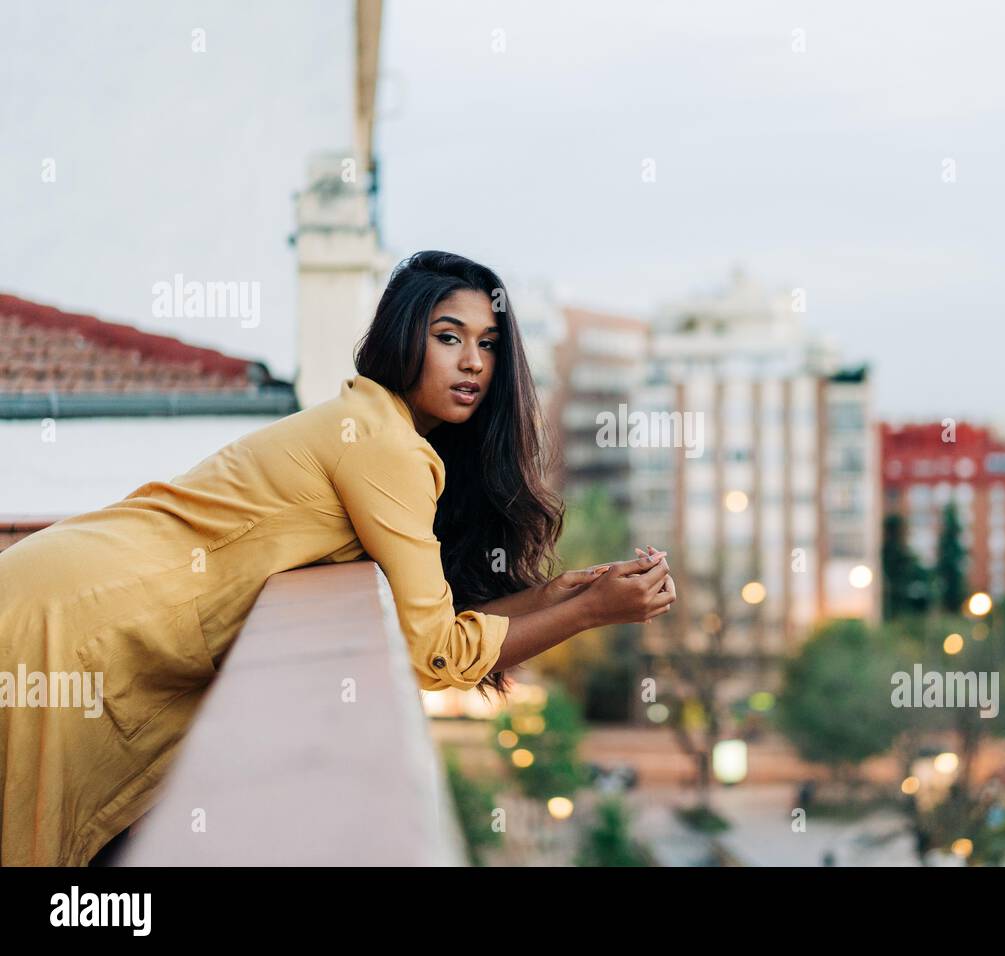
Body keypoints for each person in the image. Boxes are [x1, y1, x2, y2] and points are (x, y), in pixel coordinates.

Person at [0, 250, 675, 866]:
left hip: (68, 592)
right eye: (449, 337)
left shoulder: (375, 425)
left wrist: (568, 592)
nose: (473, 361)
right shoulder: (384, 444)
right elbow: (434, 653)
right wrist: (591, 611)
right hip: (69, 620)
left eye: (488, 344)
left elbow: (444, 620)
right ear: (404, 336)